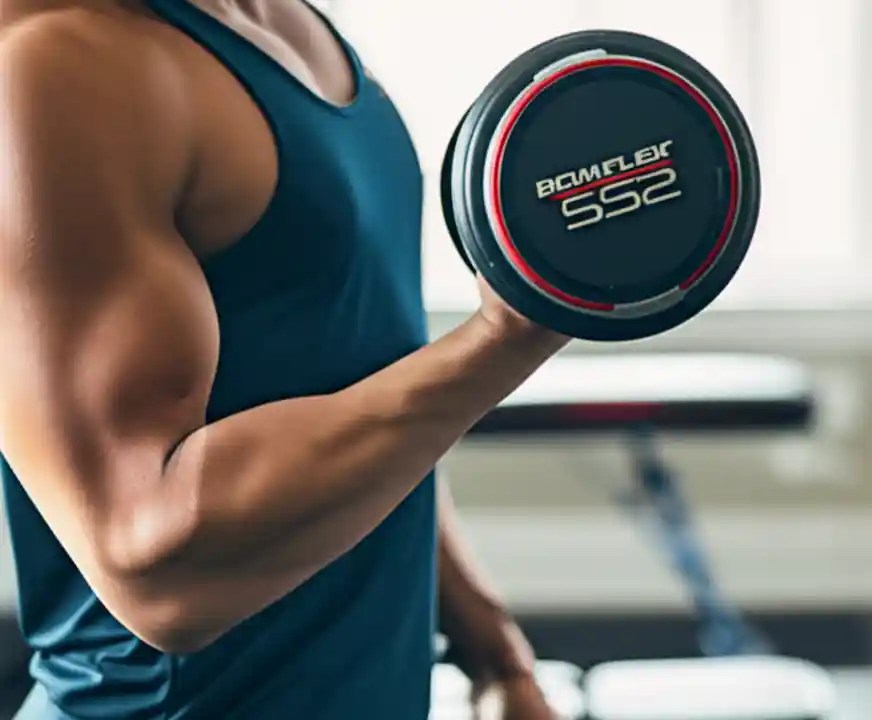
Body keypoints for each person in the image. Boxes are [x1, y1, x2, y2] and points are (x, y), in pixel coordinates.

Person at [0, 0, 569, 717]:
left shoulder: (292, 26)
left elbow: (364, 395)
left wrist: (497, 656)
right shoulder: (55, 67)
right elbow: (153, 570)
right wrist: (505, 340)